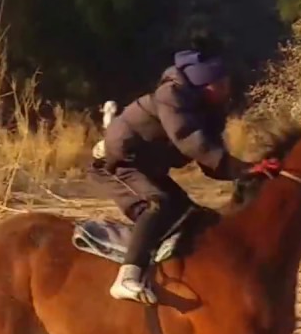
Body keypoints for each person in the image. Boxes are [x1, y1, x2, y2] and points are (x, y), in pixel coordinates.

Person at [90, 45, 279, 303]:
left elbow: (212, 161)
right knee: (156, 205)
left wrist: (249, 170)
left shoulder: (208, 111)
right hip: (118, 163)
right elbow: (188, 140)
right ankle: (127, 276)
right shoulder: (171, 96)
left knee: (191, 216)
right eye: (220, 82)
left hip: (148, 168)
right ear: (204, 83)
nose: (226, 87)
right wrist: (244, 168)